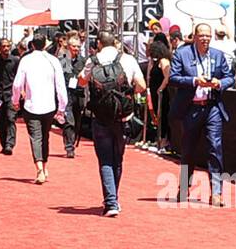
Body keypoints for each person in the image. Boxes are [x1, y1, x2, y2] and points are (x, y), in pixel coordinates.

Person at [79, 30, 147, 216]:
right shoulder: (128, 59)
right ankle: (113, 198)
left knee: (105, 159)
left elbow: (81, 82)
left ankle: (111, 202)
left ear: (99, 43)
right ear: (114, 43)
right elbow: (141, 85)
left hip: (100, 117)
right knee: (118, 158)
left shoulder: (92, 61)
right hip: (122, 117)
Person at [168, 23, 234, 206]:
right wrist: (194, 81)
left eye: (208, 35)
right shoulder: (182, 54)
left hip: (212, 107)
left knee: (215, 147)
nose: (205, 39)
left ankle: (217, 192)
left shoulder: (218, 55)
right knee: (188, 150)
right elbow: (173, 78)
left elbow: (230, 77)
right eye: (202, 35)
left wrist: (218, 83)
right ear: (195, 37)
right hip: (192, 108)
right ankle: (184, 187)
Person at [11, 34, 70, 185]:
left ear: (31, 45)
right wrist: (62, 107)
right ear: (44, 45)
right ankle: (43, 165)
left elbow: (17, 84)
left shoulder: (26, 60)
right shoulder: (53, 60)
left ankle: (39, 168)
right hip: (49, 105)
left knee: (35, 137)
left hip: (31, 105)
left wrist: (15, 100)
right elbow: (60, 85)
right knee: (45, 136)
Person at [58, 33, 88, 158]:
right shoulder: (63, 60)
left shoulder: (84, 61)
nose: (76, 49)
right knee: (69, 121)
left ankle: (72, 141)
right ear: (69, 47)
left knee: (77, 121)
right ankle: (69, 147)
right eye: (74, 46)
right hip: (67, 94)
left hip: (79, 94)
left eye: (78, 47)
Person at [145, 33, 173, 151]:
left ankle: (164, 140)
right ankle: (158, 139)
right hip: (154, 91)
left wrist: (160, 88)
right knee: (157, 115)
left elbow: (167, 76)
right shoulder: (153, 61)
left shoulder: (164, 61)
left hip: (161, 93)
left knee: (163, 115)